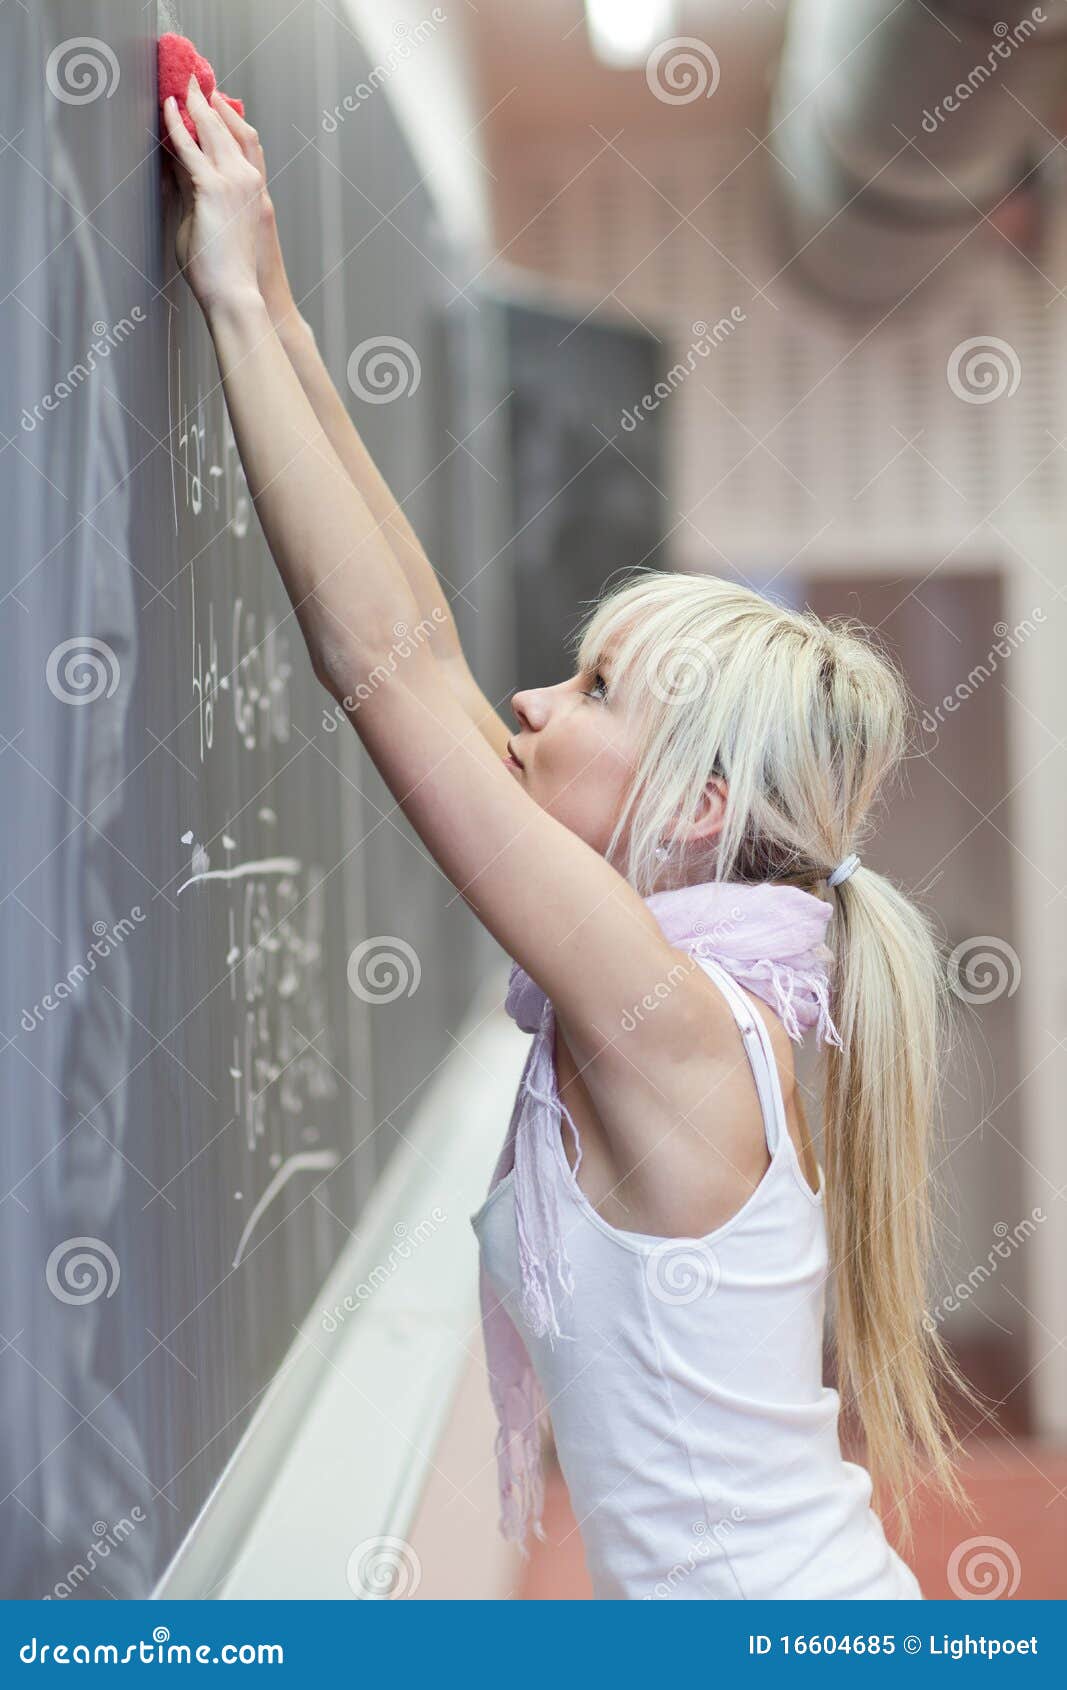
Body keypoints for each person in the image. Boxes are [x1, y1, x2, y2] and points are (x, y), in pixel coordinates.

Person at [162, 81, 984, 1600]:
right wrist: (266, 304)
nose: (537, 697)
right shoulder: (677, 990)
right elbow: (423, 647)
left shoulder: (666, 1017)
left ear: (693, 807)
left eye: (599, 687)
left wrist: (232, 297)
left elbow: (394, 680)